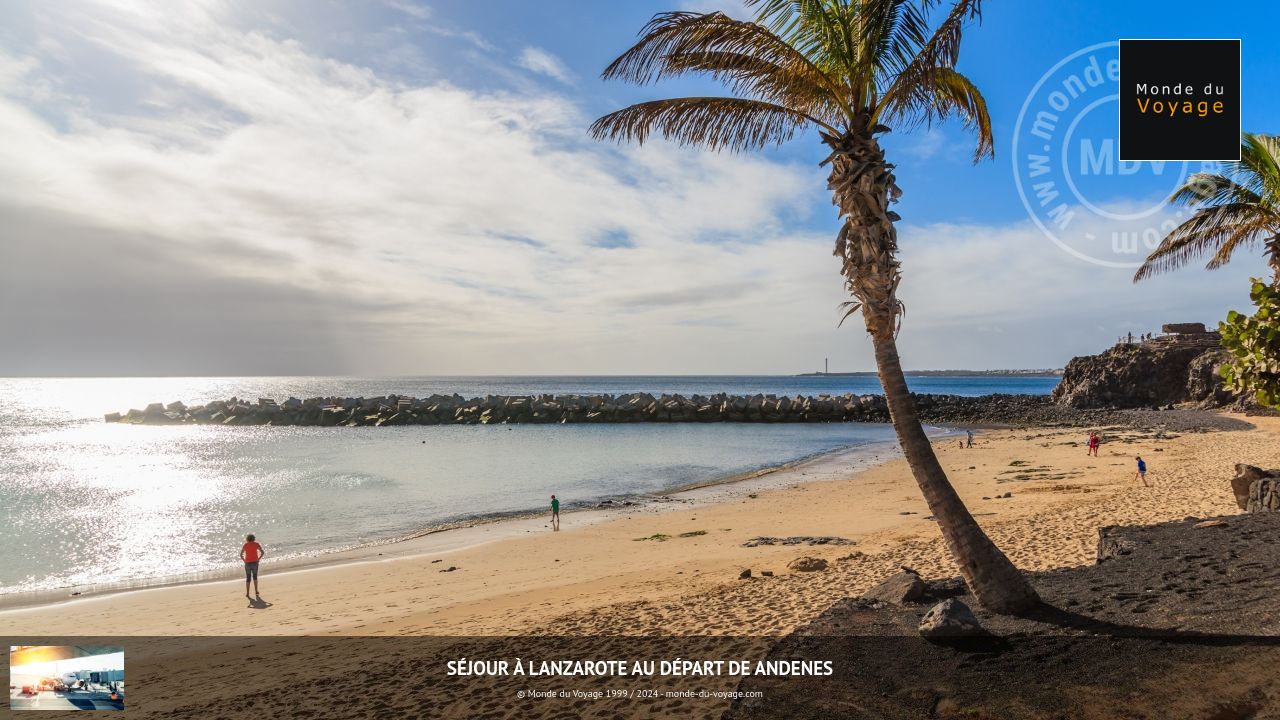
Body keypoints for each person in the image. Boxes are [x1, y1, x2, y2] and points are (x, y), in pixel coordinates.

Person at [240, 533, 265, 598]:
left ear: (247, 539)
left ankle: (247, 593)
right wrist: (258, 559)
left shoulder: (245, 545)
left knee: (248, 578)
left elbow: (241, 554)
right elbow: (262, 552)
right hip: (255, 562)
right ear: (253, 539)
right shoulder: (256, 544)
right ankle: (256, 591)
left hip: (247, 563)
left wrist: (244, 560)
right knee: (255, 577)